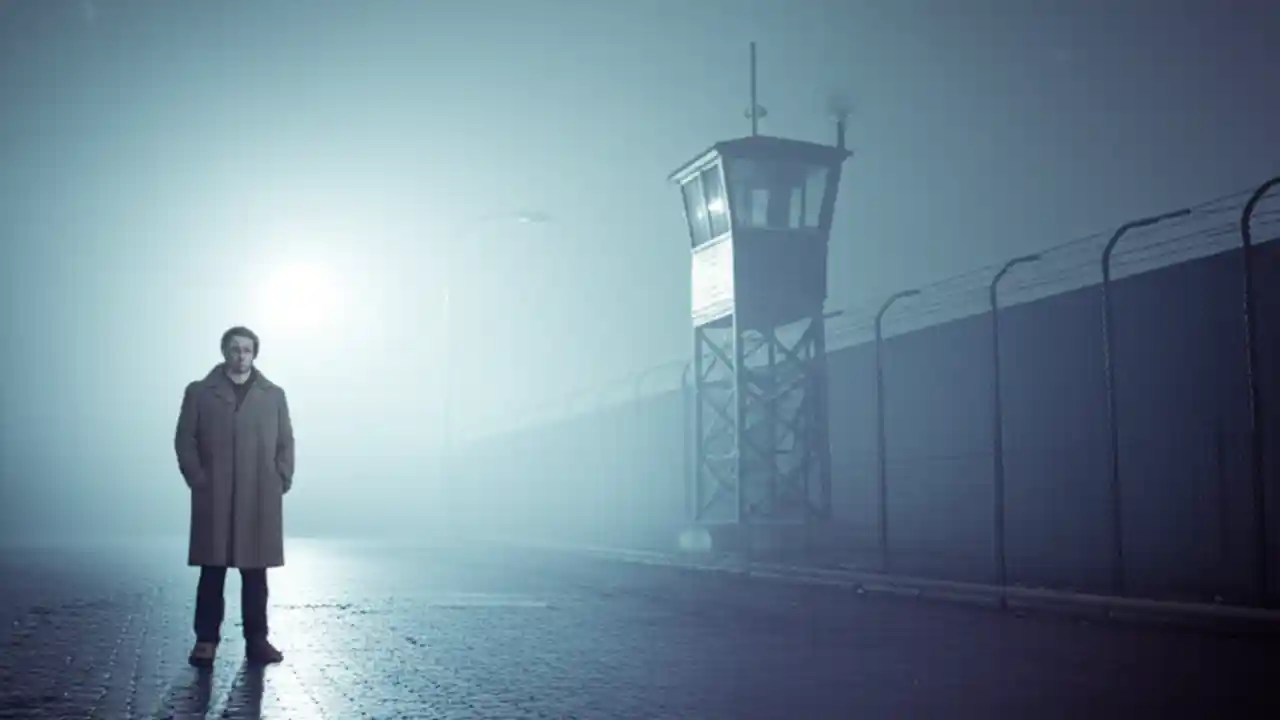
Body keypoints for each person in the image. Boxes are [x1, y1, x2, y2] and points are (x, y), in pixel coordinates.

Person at [174, 326, 294, 667]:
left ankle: (257, 641)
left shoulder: (273, 395)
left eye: (246, 349)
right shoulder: (200, 392)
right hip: (216, 494)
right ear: (224, 352)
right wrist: (198, 478)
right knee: (212, 572)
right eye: (234, 349)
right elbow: (185, 439)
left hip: (259, 496)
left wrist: (281, 477)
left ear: (254, 353)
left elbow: (286, 440)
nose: (241, 355)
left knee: (255, 575)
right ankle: (206, 641)